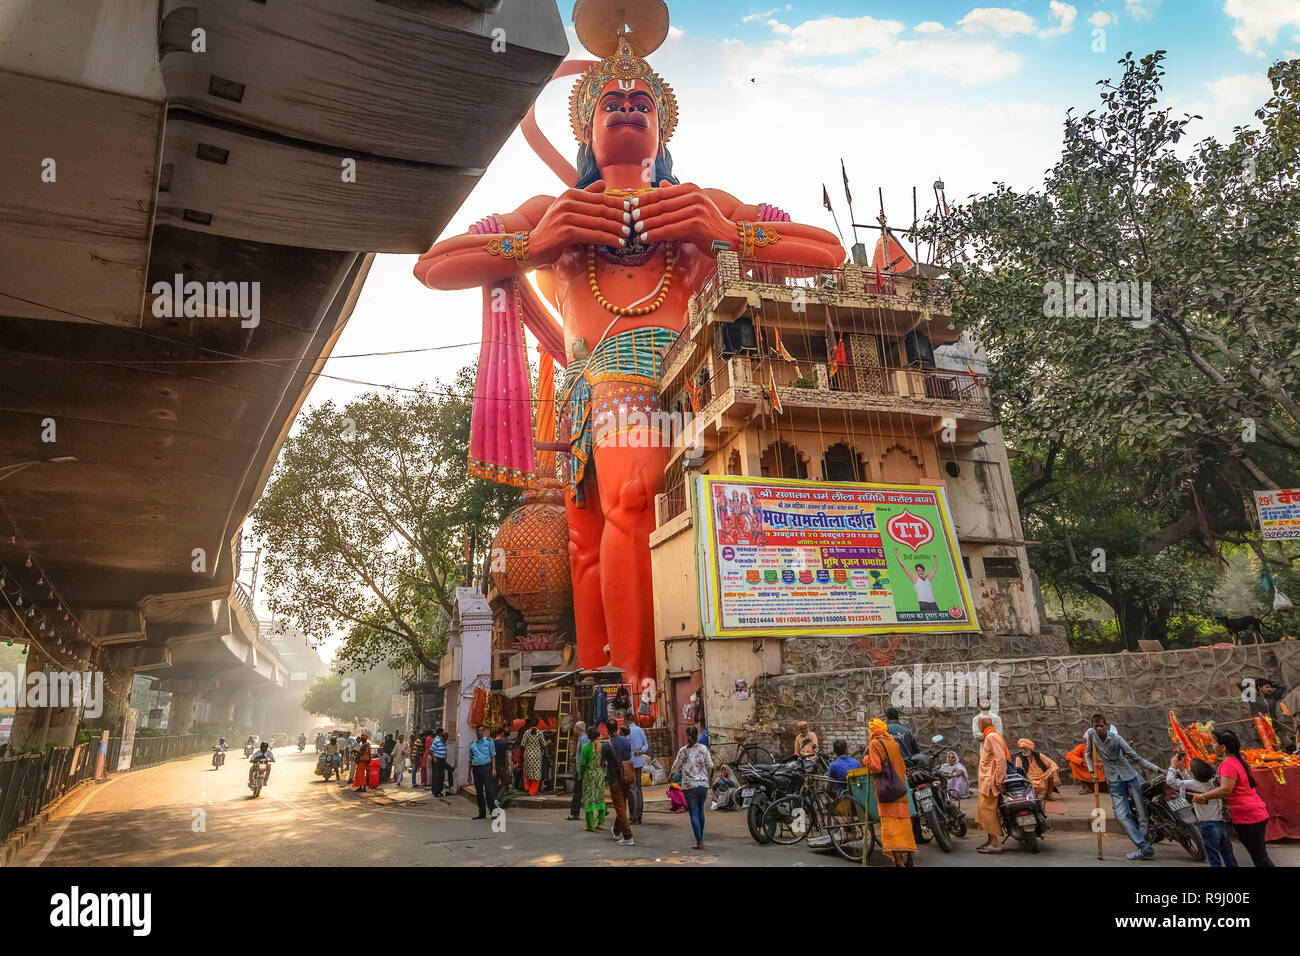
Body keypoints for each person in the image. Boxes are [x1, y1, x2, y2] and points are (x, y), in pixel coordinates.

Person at [1083, 713, 1161, 860]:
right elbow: (1088, 754)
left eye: (1101, 725)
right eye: (1096, 726)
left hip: (1130, 776)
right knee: (1121, 815)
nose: (1099, 728)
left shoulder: (1117, 739)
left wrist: (1156, 769)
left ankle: (1143, 848)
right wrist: (1091, 771)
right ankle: (1144, 847)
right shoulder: (1091, 735)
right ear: (1092, 726)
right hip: (1113, 780)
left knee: (1142, 814)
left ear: (1106, 725)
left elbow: (1135, 757)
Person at [1191, 729, 1273, 867]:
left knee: (1260, 858)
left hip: (1248, 816)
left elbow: (1225, 789)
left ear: (1223, 747)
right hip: (1255, 812)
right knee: (1259, 856)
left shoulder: (1228, 764)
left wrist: (1202, 796)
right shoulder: (1237, 760)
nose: (1212, 745)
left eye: (1214, 742)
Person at [1168, 753, 1237, 868]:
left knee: (1213, 856)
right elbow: (1192, 781)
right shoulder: (1211, 783)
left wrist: (1173, 767)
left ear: (1194, 774)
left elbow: (1171, 781)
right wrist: (1182, 769)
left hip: (1207, 825)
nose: (1189, 773)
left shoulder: (1194, 784)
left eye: (1190, 771)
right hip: (1221, 824)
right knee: (1228, 854)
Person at [864, 718, 915, 866]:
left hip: (886, 792)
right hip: (900, 790)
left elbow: (876, 767)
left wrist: (866, 759)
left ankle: (898, 860)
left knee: (890, 826)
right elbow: (902, 767)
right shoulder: (894, 743)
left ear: (873, 731)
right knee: (904, 825)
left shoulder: (874, 744)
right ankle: (910, 857)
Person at [670, 725, 714, 849]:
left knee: (693, 812)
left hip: (690, 786)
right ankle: (701, 838)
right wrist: (708, 778)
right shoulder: (704, 749)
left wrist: (671, 774)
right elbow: (710, 765)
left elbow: (675, 766)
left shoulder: (683, 751)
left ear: (687, 736)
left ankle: (699, 841)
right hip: (703, 785)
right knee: (700, 810)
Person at [975, 715, 1008, 854]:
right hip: (986, 781)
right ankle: (990, 840)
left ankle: (995, 843)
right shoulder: (991, 736)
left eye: (979, 725)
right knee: (983, 810)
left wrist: (999, 780)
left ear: (982, 725)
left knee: (987, 810)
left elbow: (1000, 758)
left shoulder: (991, 736)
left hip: (991, 781)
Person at [601, 717, 635, 846]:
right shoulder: (625, 741)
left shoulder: (606, 745)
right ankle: (616, 830)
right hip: (626, 777)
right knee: (622, 805)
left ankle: (628, 836)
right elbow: (629, 756)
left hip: (614, 779)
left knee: (620, 807)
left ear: (608, 731)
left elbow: (602, 763)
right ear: (617, 728)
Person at [576, 721, 607, 831]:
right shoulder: (602, 746)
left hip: (589, 774)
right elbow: (605, 763)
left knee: (588, 799)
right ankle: (601, 822)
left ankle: (590, 825)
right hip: (599, 773)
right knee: (600, 797)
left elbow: (583, 763)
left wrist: (580, 775)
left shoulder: (585, 747)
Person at [469, 725, 498, 819]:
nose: (480, 732)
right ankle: (482, 813)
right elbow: (470, 759)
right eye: (478, 730)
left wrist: (493, 769)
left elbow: (493, 755)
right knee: (479, 792)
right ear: (476, 732)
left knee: (489, 790)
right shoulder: (472, 744)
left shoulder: (489, 741)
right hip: (476, 769)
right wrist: (468, 773)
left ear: (484, 731)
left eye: (481, 730)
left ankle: (493, 810)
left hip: (486, 768)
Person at [626, 718, 649, 825]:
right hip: (639, 762)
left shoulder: (627, 731)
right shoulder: (640, 730)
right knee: (639, 789)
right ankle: (639, 815)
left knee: (632, 789)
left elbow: (625, 747)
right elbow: (646, 745)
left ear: (627, 721)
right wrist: (641, 751)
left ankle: (633, 816)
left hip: (630, 763)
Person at [567, 721, 589, 821]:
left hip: (582, 769)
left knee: (578, 792)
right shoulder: (584, 738)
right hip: (583, 768)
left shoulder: (583, 739)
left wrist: (581, 768)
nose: (574, 730)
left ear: (579, 729)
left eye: (575, 728)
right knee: (585, 791)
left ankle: (575, 813)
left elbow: (585, 754)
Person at [521, 718, 546, 796]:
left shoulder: (526, 732)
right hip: (537, 755)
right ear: (537, 724)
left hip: (528, 754)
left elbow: (522, 744)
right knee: (536, 773)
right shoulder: (539, 733)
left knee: (528, 771)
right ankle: (532, 791)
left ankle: (527, 787)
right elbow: (544, 744)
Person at [430, 729, 449, 796]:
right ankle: (434, 792)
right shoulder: (437, 741)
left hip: (442, 760)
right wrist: (434, 758)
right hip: (437, 760)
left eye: (446, 740)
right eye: (444, 740)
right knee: (436, 776)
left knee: (442, 776)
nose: (445, 741)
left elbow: (445, 750)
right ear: (442, 738)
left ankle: (439, 790)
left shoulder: (444, 742)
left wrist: (445, 756)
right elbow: (431, 750)